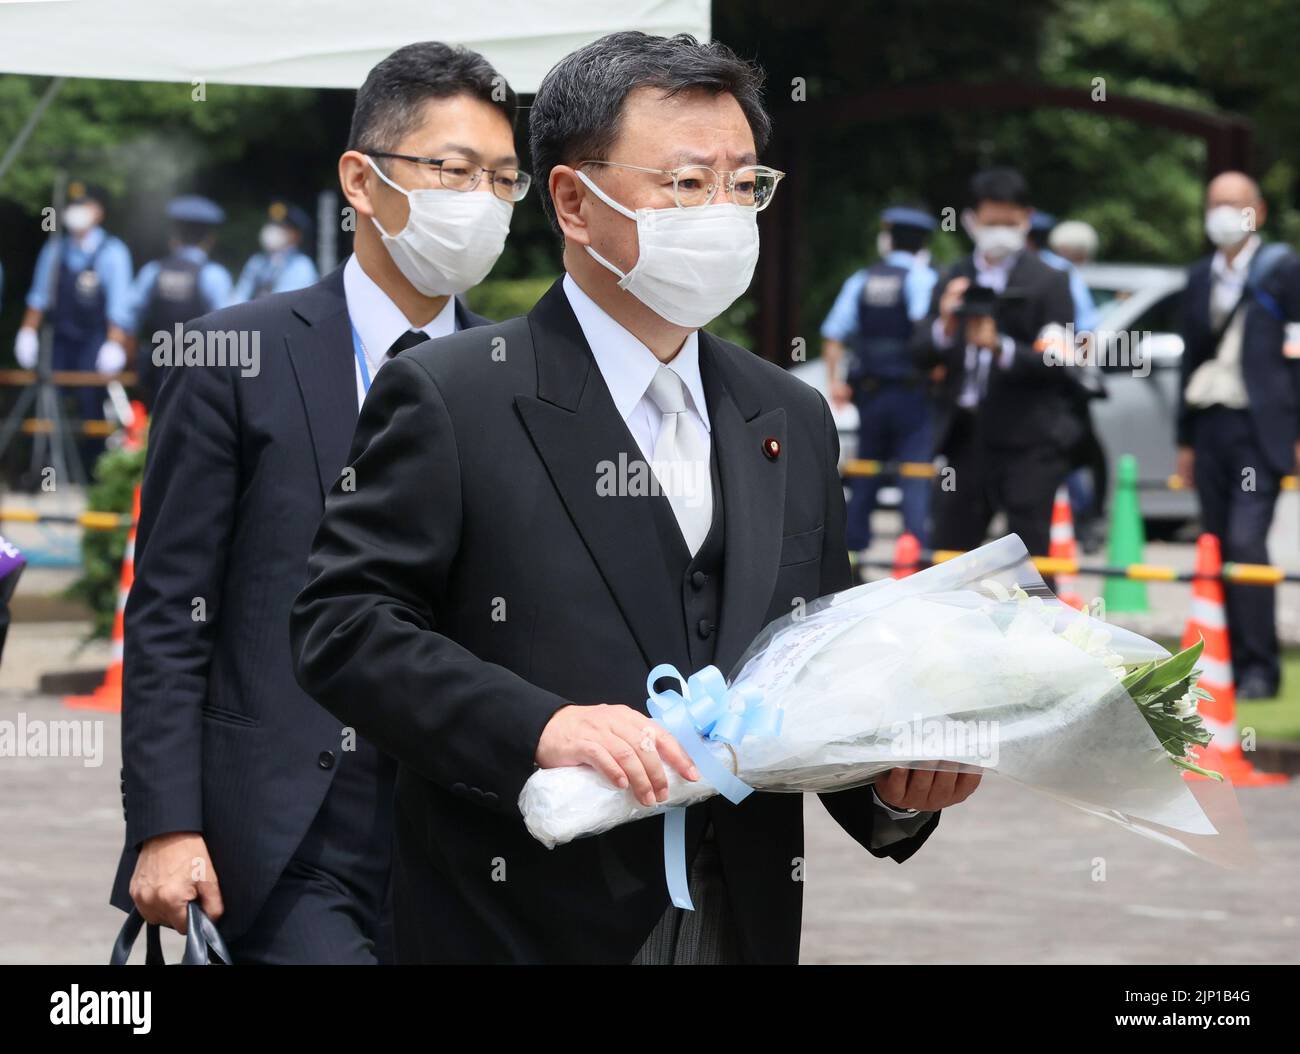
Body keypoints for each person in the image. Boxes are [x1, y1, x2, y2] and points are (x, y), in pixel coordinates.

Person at [291, 31, 979, 966]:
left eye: (745, 185)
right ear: (575, 201)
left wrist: (899, 785)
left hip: (738, 918)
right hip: (519, 920)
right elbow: (346, 626)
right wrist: (540, 726)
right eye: (688, 184)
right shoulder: (456, 394)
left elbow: (814, 662)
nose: (725, 213)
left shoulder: (790, 413)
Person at [111, 40, 521, 963]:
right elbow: (172, 609)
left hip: (465, 839)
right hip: (283, 837)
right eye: (454, 170)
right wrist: (166, 824)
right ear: (362, 180)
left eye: (502, 178)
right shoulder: (232, 357)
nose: (482, 202)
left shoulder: (518, 375)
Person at [1176, 171, 1300, 699]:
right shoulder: (1200, 275)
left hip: (1261, 428)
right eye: (1215, 204)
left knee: (1247, 543)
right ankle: (1220, 660)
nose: (1223, 213)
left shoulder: (1283, 269)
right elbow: (1189, 361)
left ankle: (1258, 669)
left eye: (1235, 204)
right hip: (1210, 425)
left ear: (1259, 212)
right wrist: (1183, 440)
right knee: (1217, 543)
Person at [912, 167, 1078, 557]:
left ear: (1027, 219)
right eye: (991, 222)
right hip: (964, 437)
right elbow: (918, 350)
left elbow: (1058, 362)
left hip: (1027, 440)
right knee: (947, 555)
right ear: (971, 221)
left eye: (1010, 222)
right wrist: (946, 324)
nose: (1000, 230)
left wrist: (1000, 346)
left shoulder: (1049, 281)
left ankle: (1033, 620)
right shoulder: (953, 275)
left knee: (1030, 557)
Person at [822, 205, 938, 551]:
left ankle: (851, 555)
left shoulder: (863, 279)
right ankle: (915, 553)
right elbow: (925, 335)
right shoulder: (923, 279)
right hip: (913, 396)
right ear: (922, 244)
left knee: (866, 473)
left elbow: (833, 334)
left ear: (889, 240)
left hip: (870, 394)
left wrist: (835, 382)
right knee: (914, 474)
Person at [14, 181, 134, 464]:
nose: (76, 212)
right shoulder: (55, 249)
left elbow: (120, 308)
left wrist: (114, 344)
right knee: (46, 397)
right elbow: (39, 297)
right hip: (60, 339)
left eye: (84, 206)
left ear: (98, 212)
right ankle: (41, 467)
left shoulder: (113, 252)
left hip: (94, 340)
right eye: (73, 206)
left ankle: (94, 469)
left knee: (90, 401)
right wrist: (27, 332)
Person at [1028, 210, 1107, 550]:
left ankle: (1074, 518)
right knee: (1071, 453)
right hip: (1057, 386)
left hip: (1020, 388)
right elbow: (1087, 332)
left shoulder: (1012, 271)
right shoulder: (1063, 274)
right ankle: (1083, 520)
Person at [128, 195, 233, 409]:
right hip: (200, 373)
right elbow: (229, 329)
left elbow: (126, 317)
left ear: (174, 236)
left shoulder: (153, 271)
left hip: (157, 368)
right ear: (209, 238)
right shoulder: (214, 276)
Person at [228, 200, 318, 303]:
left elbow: (282, 305)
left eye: (282, 226)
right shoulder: (257, 261)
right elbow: (239, 296)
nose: (274, 229)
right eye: (272, 224)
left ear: (296, 235)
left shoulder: (301, 266)